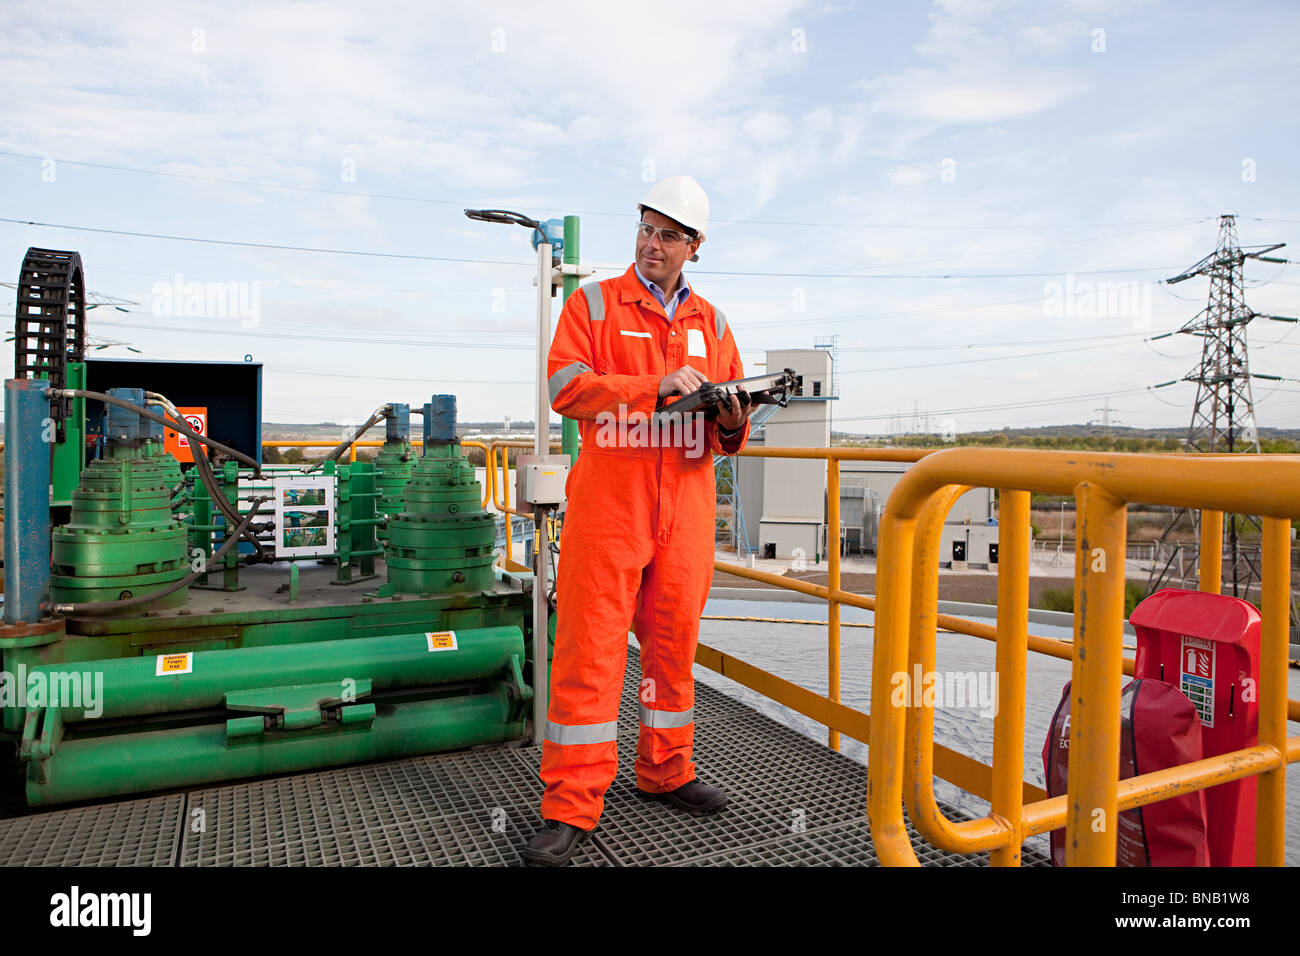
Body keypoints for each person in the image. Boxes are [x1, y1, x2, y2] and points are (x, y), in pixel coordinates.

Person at [523, 175, 752, 866]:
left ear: (694, 247)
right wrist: (652, 386)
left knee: (672, 644)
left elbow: (726, 429)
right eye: (646, 229)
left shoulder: (711, 322)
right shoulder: (593, 303)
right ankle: (570, 805)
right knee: (589, 654)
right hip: (610, 507)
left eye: (668, 235)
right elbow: (566, 389)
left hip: (684, 509)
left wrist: (734, 422)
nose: (653, 244)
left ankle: (666, 770)